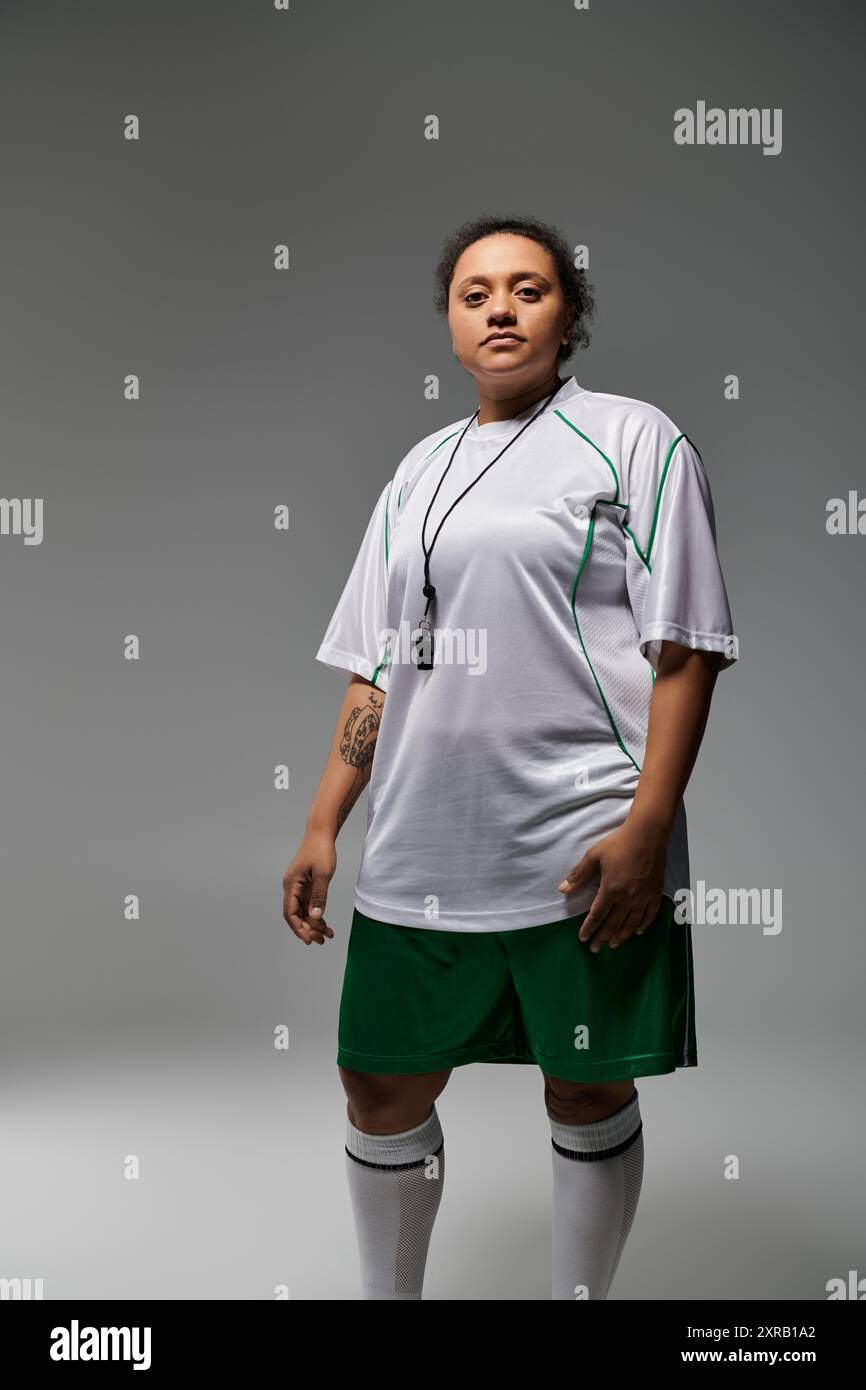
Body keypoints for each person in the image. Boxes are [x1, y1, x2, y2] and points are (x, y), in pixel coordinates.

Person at [282, 213, 738, 1301]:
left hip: (579, 840)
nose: (499, 307)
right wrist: (319, 823)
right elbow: (376, 666)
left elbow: (686, 655)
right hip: (422, 844)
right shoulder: (419, 470)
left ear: (568, 318)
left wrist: (646, 829)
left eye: (528, 289)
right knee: (378, 1083)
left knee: (582, 1089)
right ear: (448, 323)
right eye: (475, 291)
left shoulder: (634, 441)